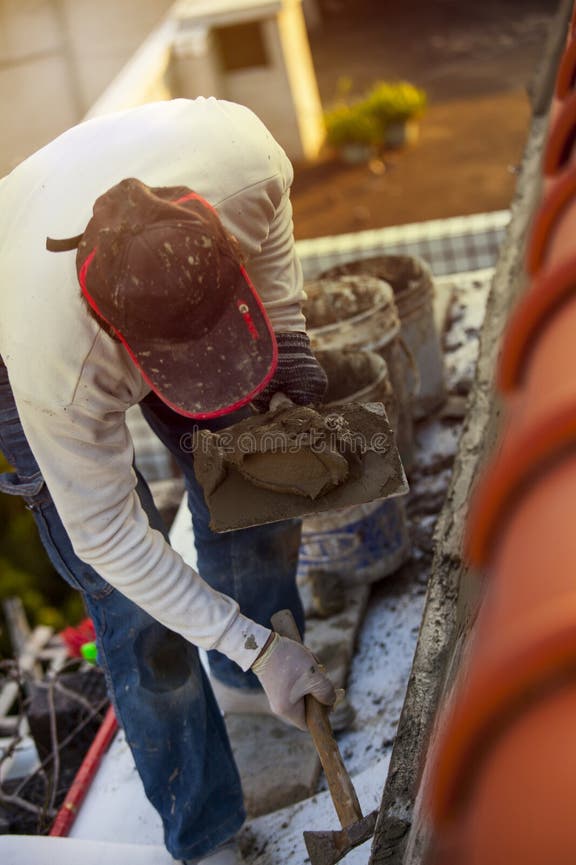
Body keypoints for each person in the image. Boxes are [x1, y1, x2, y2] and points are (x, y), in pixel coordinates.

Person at [0, 98, 336, 865]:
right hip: (13, 323)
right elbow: (110, 537)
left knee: (251, 459)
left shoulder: (245, 165)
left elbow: (275, 238)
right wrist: (258, 644)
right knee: (131, 612)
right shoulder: (59, 365)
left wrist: (285, 337)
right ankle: (205, 827)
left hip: (141, 269)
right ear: (120, 341)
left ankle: (251, 686)